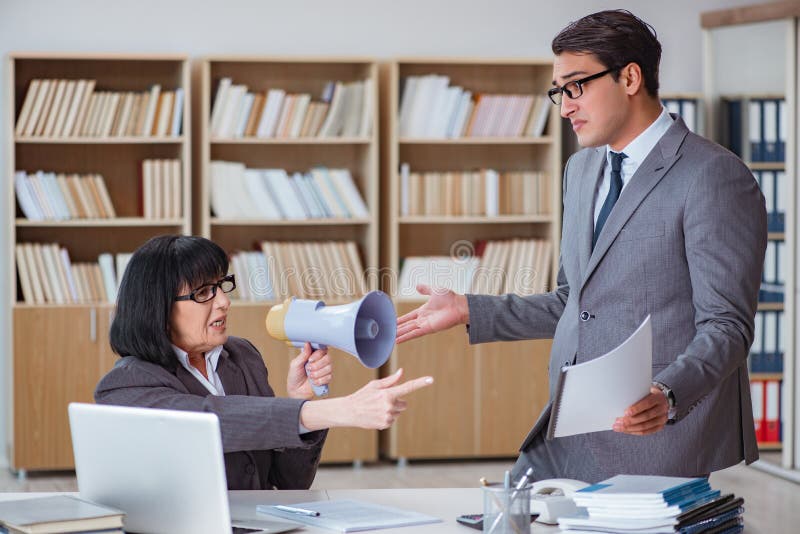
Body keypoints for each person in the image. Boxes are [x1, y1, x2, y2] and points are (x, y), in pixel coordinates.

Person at [396, 9, 766, 483]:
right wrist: (470, 308)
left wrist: (668, 393)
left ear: (630, 77)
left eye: (577, 86)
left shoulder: (712, 175)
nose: (566, 105)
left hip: (652, 433)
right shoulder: (582, 169)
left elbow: (727, 325)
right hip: (566, 430)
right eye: (559, 92)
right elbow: (574, 302)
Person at [96, 234, 433, 490]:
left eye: (222, 286)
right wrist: (341, 410)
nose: (225, 302)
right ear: (157, 306)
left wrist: (300, 402)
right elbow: (209, 420)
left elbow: (288, 484)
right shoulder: (126, 385)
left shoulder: (242, 357)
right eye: (203, 293)